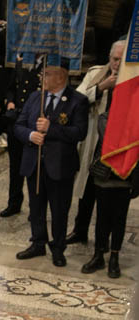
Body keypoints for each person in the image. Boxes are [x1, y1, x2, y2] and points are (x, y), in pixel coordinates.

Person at [14, 65, 88, 267]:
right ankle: (38, 243)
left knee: (59, 209)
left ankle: (58, 248)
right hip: (34, 162)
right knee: (36, 207)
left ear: (61, 77)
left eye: (47, 74)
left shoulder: (77, 101)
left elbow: (80, 132)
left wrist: (51, 129)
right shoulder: (34, 97)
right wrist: (30, 135)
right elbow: (18, 125)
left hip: (60, 165)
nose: (42, 77)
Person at [67, 40, 124, 246]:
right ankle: (79, 231)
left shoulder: (132, 79)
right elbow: (77, 99)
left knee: (108, 196)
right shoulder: (96, 73)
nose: (117, 63)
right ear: (109, 58)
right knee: (86, 190)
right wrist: (102, 87)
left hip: (116, 144)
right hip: (93, 139)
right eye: (115, 59)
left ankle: (104, 239)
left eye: (122, 59)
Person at [79, 114, 138, 279]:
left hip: (126, 176)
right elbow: (111, 138)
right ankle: (98, 255)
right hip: (105, 175)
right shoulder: (105, 117)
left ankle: (114, 257)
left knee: (119, 220)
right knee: (102, 218)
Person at [0, 56, 41, 218]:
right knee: (15, 166)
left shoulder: (50, 64)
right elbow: (11, 88)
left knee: (33, 168)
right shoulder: (21, 62)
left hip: (34, 123)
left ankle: (35, 207)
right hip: (16, 121)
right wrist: (9, 101)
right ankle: (14, 203)